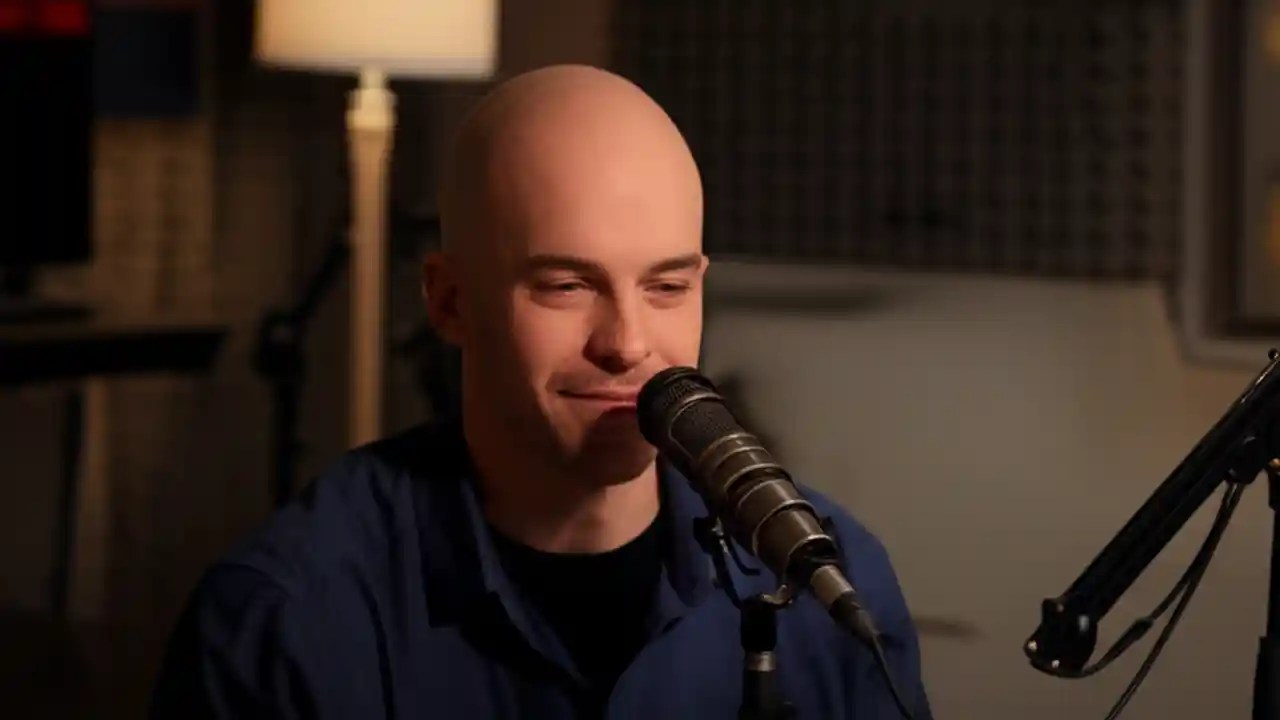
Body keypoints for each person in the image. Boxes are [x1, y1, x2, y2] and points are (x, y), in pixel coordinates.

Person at [150, 64, 933, 719]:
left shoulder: (833, 578)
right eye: (565, 284)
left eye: (665, 287)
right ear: (450, 302)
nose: (627, 343)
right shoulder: (282, 619)